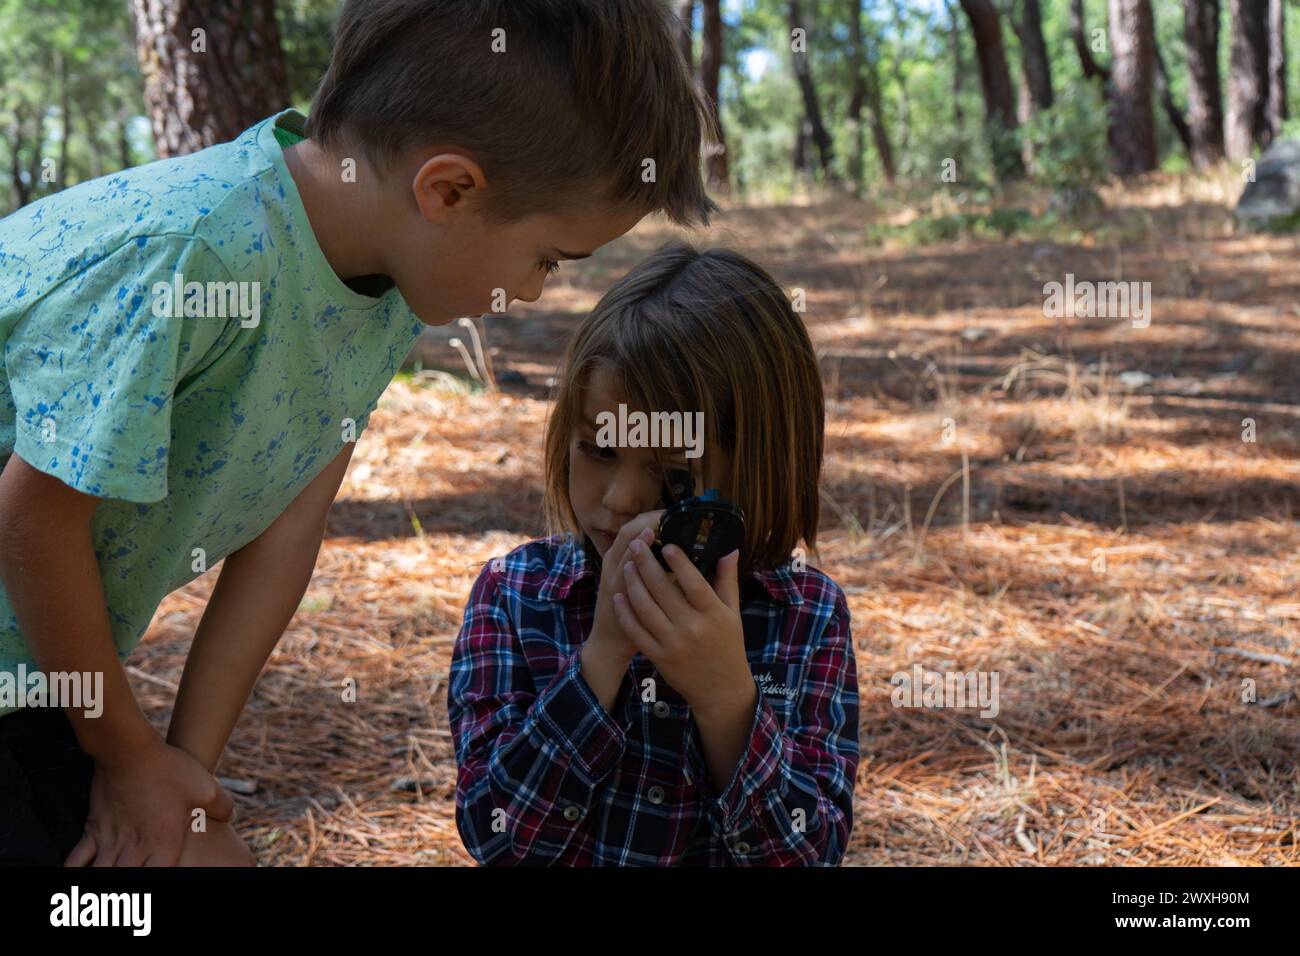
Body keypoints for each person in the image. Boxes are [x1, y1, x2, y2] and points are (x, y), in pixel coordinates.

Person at [0, 0, 713, 867]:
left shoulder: (378, 291)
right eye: (550, 257)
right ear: (448, 190)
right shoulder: (194, 250)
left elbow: (287, 531)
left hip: (42, 670)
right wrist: (126, 755)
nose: (535, 291)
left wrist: (177, 775)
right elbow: (34, 520)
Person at [449, 242, 860, 865]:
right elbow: (495, 834)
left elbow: (809, 854)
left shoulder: (805, 615)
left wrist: (727, 700)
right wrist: (604, 653)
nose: (618, 500)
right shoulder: (515, 595)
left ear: (758, 466)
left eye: (670, 474)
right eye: (599, 451)